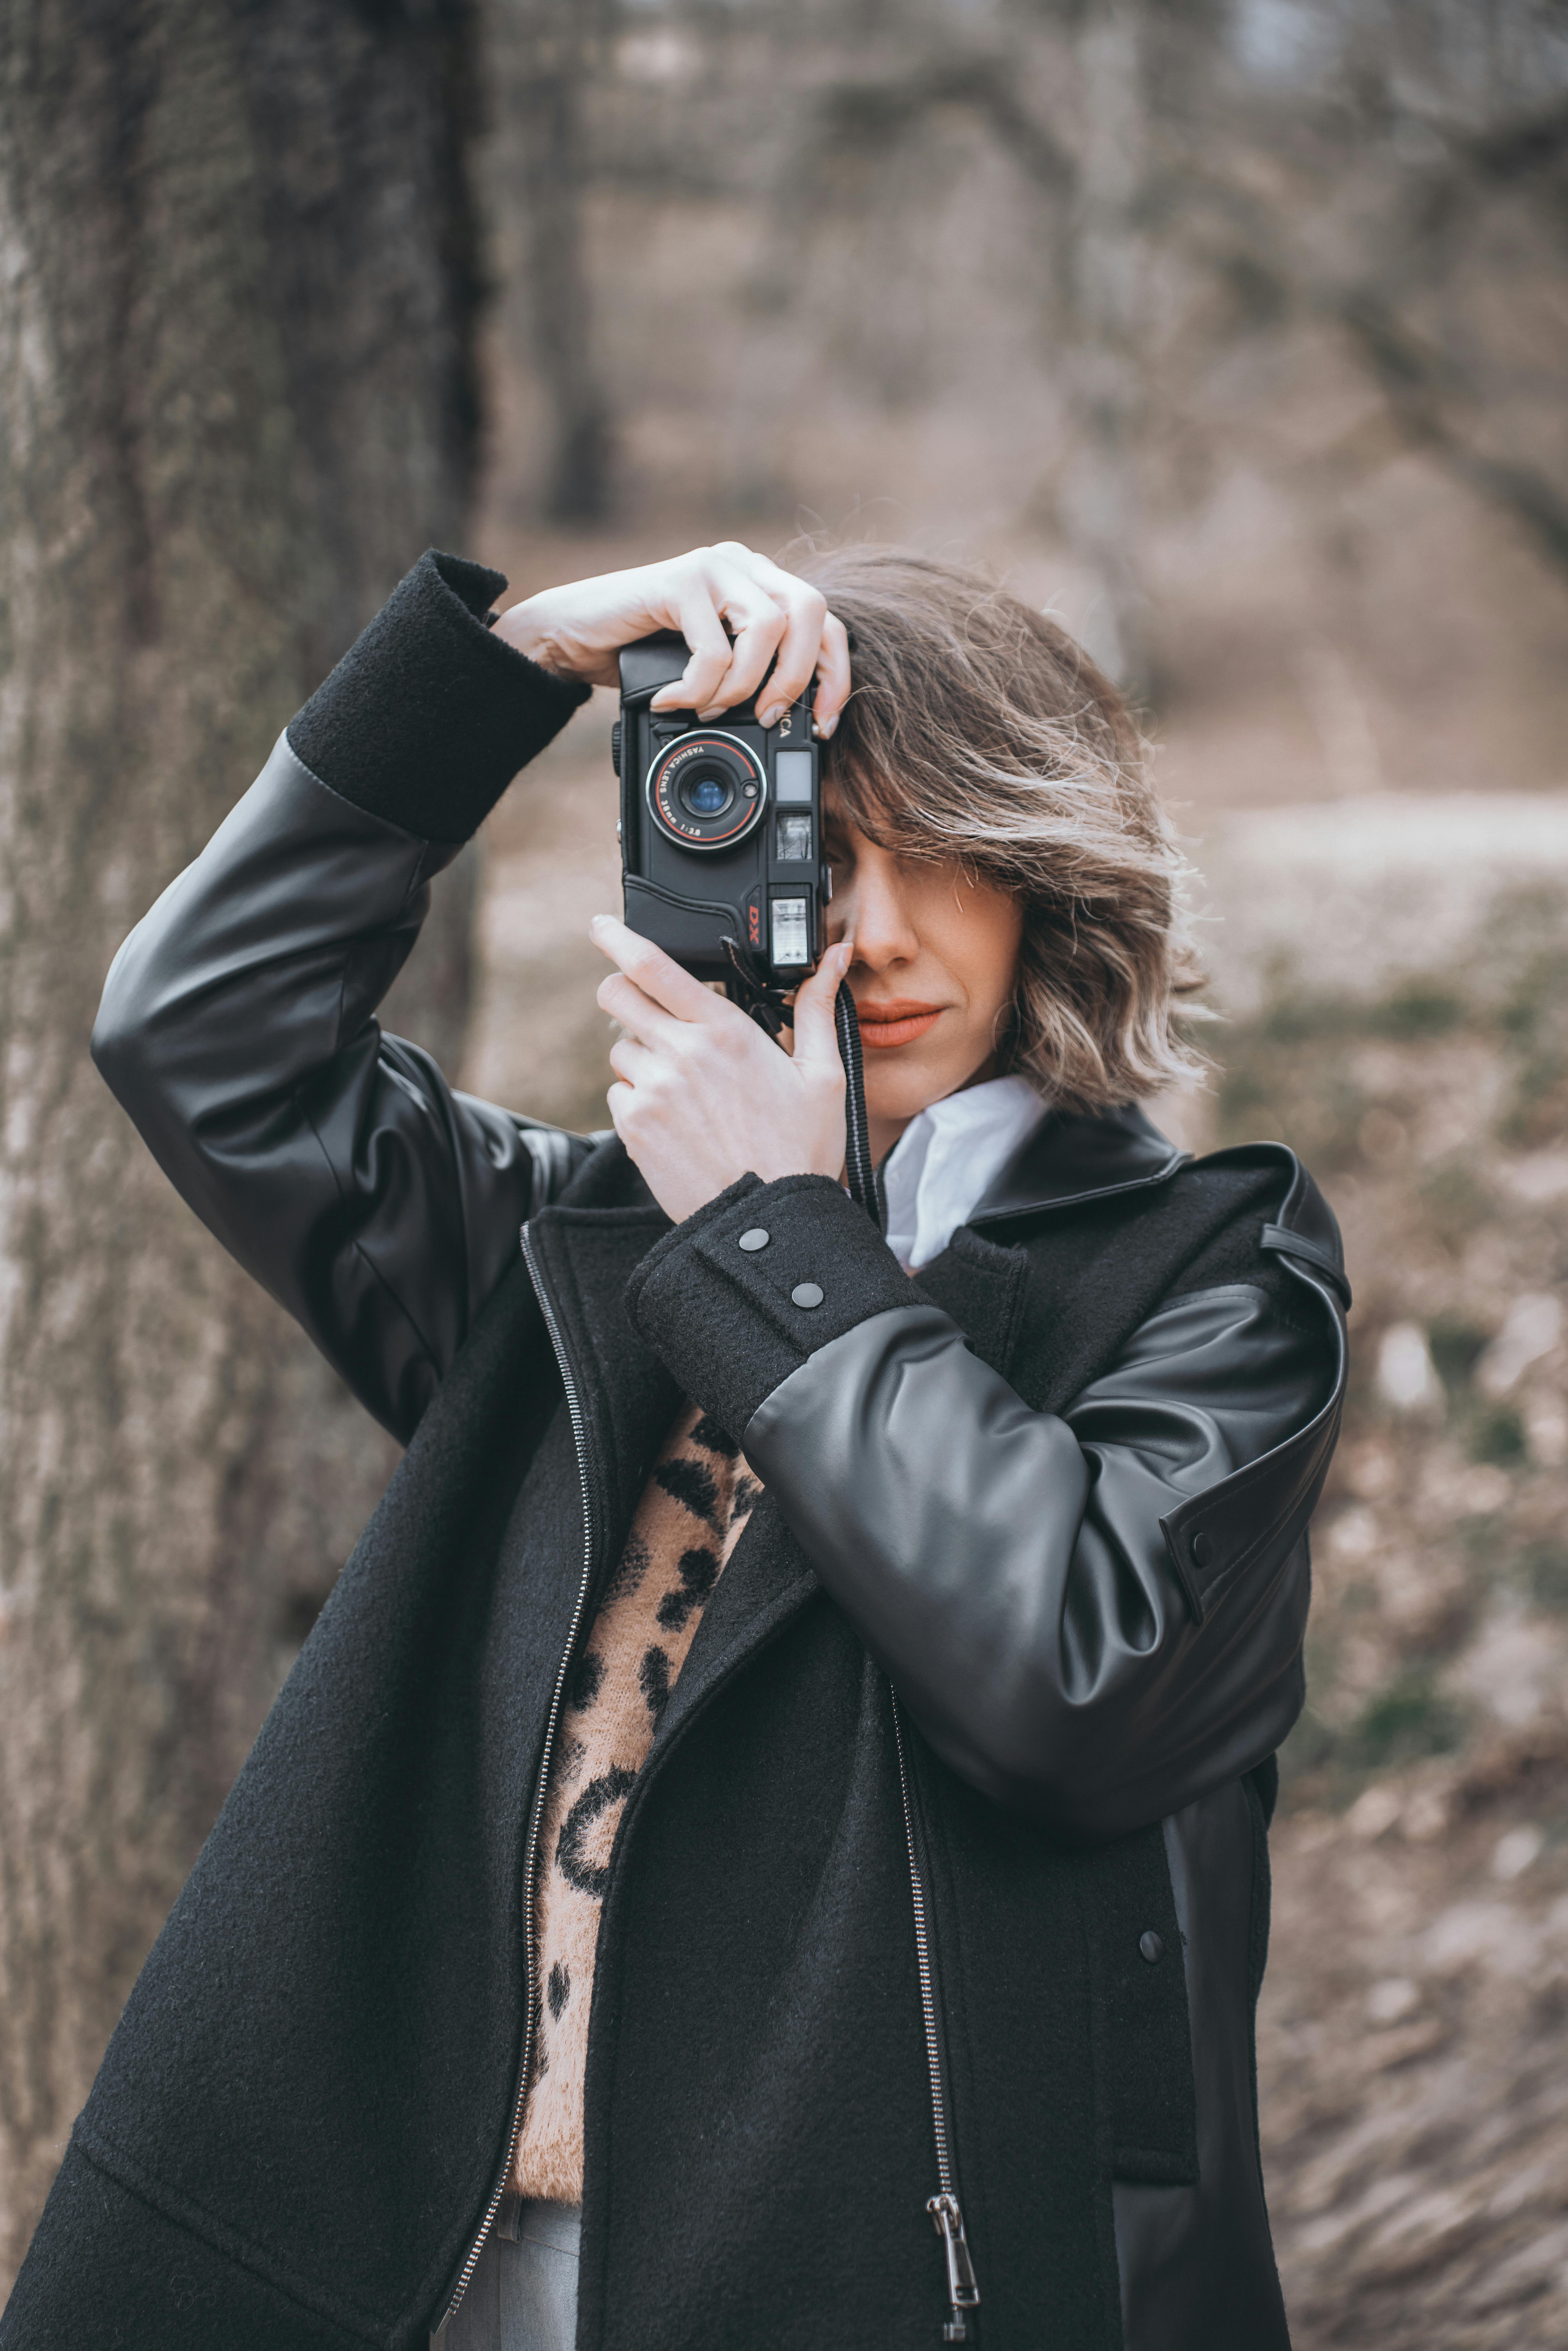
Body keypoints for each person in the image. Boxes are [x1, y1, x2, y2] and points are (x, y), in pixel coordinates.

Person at [4, 541, 1347, 2351]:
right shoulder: (576, 1252)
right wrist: (513, 661)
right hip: (458, 2262)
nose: (869, 934)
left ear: (1044, 875)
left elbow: (1074, 1680)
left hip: (907, 2284)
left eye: (933, 851)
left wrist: (783, 1233)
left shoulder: (1207, 1274)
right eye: (811, 848)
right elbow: (201, 1034)